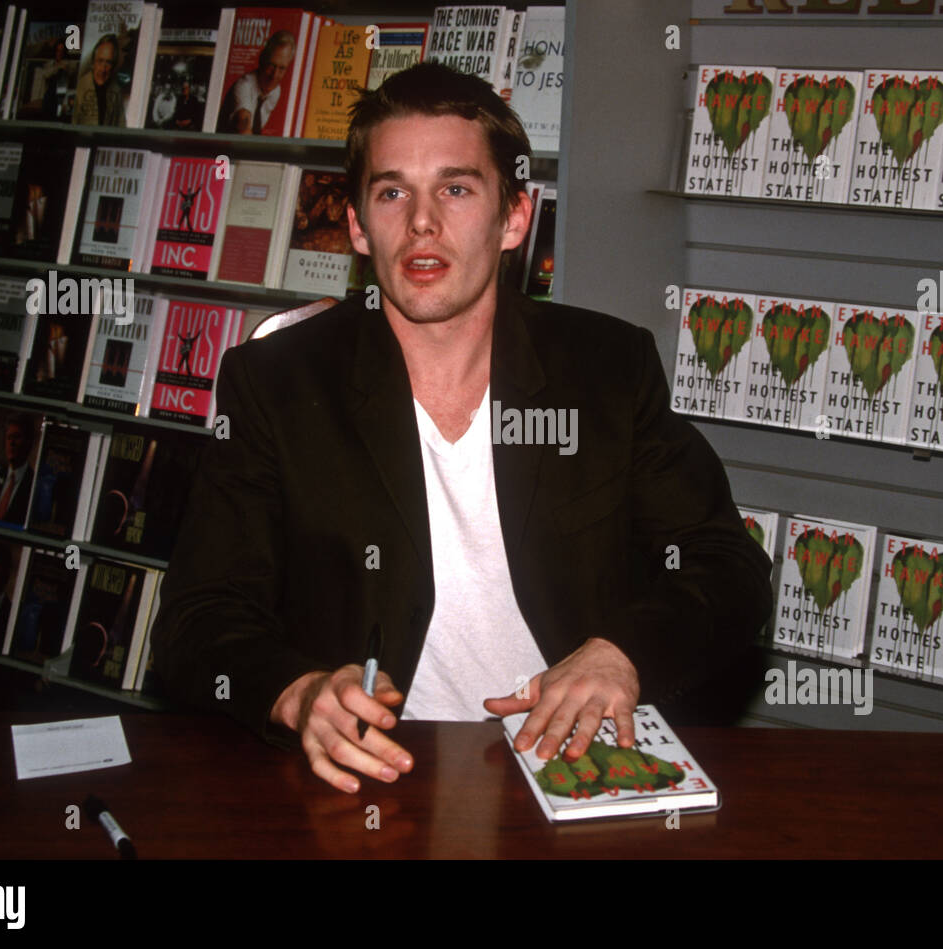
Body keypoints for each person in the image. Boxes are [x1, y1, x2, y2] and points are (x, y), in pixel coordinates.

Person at [151, 62, 773, 795]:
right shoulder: (278, 383)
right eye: (391, 192)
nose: (422, 222)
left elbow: (727, 568)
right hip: (372, 777)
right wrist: (298, 690)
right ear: (355, 225)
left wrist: (621, 653)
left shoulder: (605, 368)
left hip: (574, 766)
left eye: (455, 188)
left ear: (514, 216)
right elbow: (197, 620)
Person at [216, 31, 295, 135]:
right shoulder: (244, 85)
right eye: (271, 65)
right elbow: (244, 127)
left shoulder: (275, 91)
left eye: (282, 69)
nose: (275, 75)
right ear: (262, 60)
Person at [73, 34, 125, 127]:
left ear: (113, 65)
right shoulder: (80, 86)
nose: (103, 69)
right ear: (93, 62)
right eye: (100, 61)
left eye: (108, 62)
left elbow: (121, 126)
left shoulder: (116, 91)